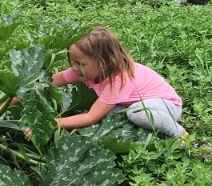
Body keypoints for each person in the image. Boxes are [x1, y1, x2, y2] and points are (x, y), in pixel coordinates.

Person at [50, 27, 187, 138]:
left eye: (80, 63)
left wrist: (52, 123)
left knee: (137, 113)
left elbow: (90, 117)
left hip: (167, 106)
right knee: (109, 114)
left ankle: (178, 133)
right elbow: (54, 80)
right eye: (72, 61)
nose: (74, 67)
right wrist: (33, 84)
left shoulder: (117, 81)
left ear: (104, 63)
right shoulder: (80, 70)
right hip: (139, 103)